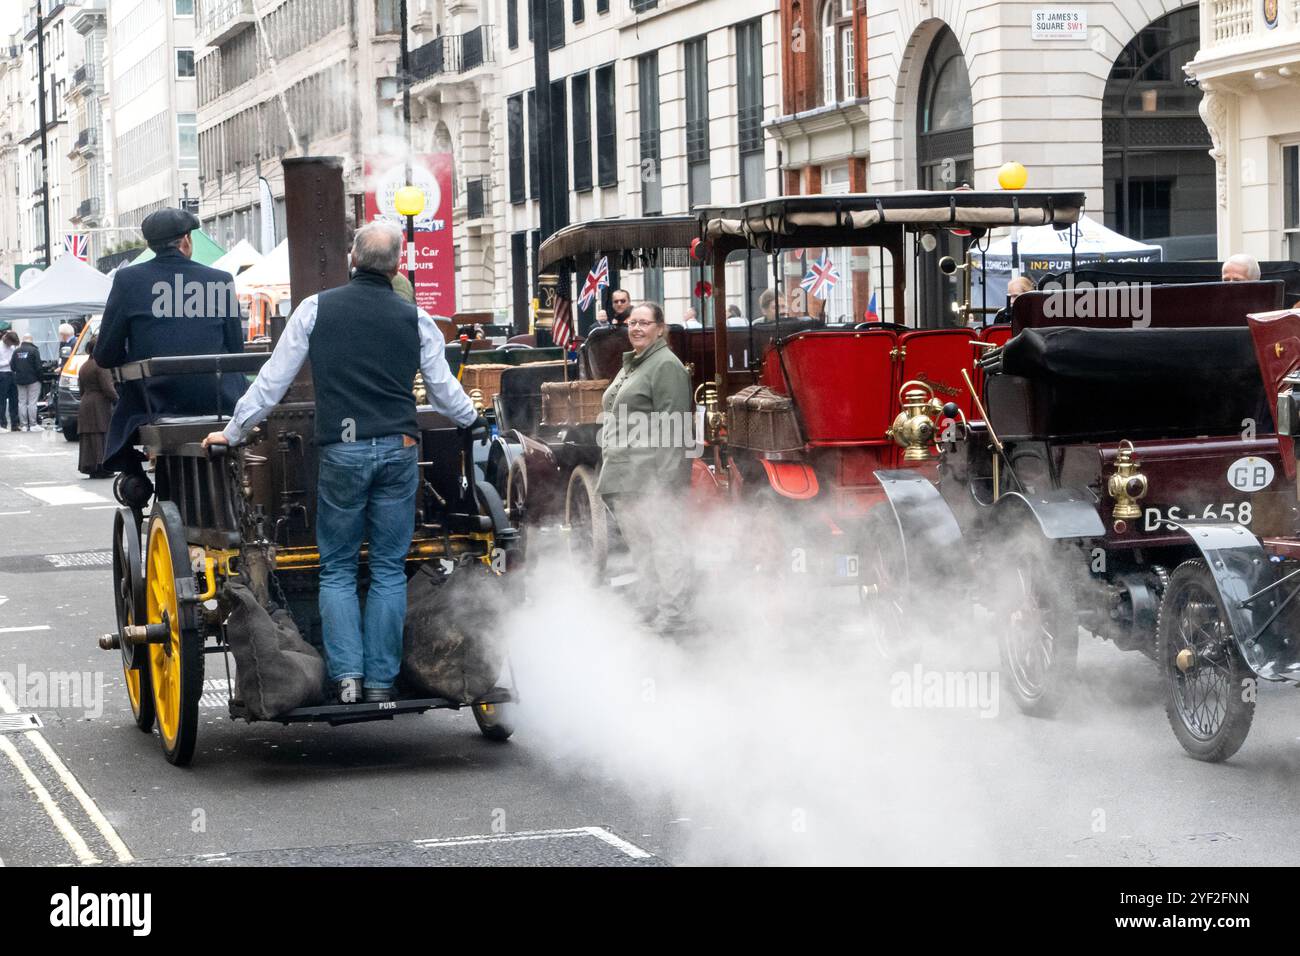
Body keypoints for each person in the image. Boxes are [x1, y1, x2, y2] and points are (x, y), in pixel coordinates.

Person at [202, 222, 480, 705]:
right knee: (390, 568)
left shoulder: (315, 309)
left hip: (343, 450)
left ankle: (347, 678)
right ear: (397, 265)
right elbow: (443, 390)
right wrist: (474, 420)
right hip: (398, 448)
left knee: (337, 568)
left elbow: (272, 381)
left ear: (352, 258)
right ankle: (379, 681)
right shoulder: (416, 319)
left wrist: (233, 432)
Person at [94, 207, 246, 507]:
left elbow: (105, 354)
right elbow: (236, 349)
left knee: (123, 417)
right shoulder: (220, 279)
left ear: (151, 244)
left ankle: (134, 473)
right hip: (218, 399)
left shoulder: (129, 280)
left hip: (156, 400)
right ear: (186, 241)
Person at [597, 301, 695, 635]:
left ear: (660, 328)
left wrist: (665, 483)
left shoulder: (665, 366)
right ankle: (653, 606)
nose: (636, 328)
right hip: (627, 474)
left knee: (666, 546)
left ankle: (674, 615)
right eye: (632, 323)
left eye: (644, 323)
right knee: (643, 548)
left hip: (651, 477)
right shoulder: (635, 364)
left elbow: (675, 427)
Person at [77, 336, 117, 479]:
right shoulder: (101, 366)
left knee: (89, 437)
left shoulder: (84, 366)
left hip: (86, 402)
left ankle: (90, 466)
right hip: (99, 403)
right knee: (101, 434)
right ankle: (102, 466)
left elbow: (81, 389)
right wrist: (117, 400)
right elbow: (108, 388)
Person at [11, 334, 44, 431]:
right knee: (32, 403)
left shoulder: (16, 351)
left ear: (23, 340)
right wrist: (41, 379)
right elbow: (39, 367)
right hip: (33, 380)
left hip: (20, 380)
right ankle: (33, 424)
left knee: (22, 402)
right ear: (31, 340)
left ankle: (23, 425)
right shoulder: (34, 350)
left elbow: (12, 366)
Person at [0, 331, 17, 432]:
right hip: (2, 374)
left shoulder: (13, 347)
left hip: (13, 374)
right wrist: (8, 362)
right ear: (7, 340)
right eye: (11, 343)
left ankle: (15, 424)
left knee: (14, 400)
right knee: (2, 401)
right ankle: (2, 424)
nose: (11, 345)